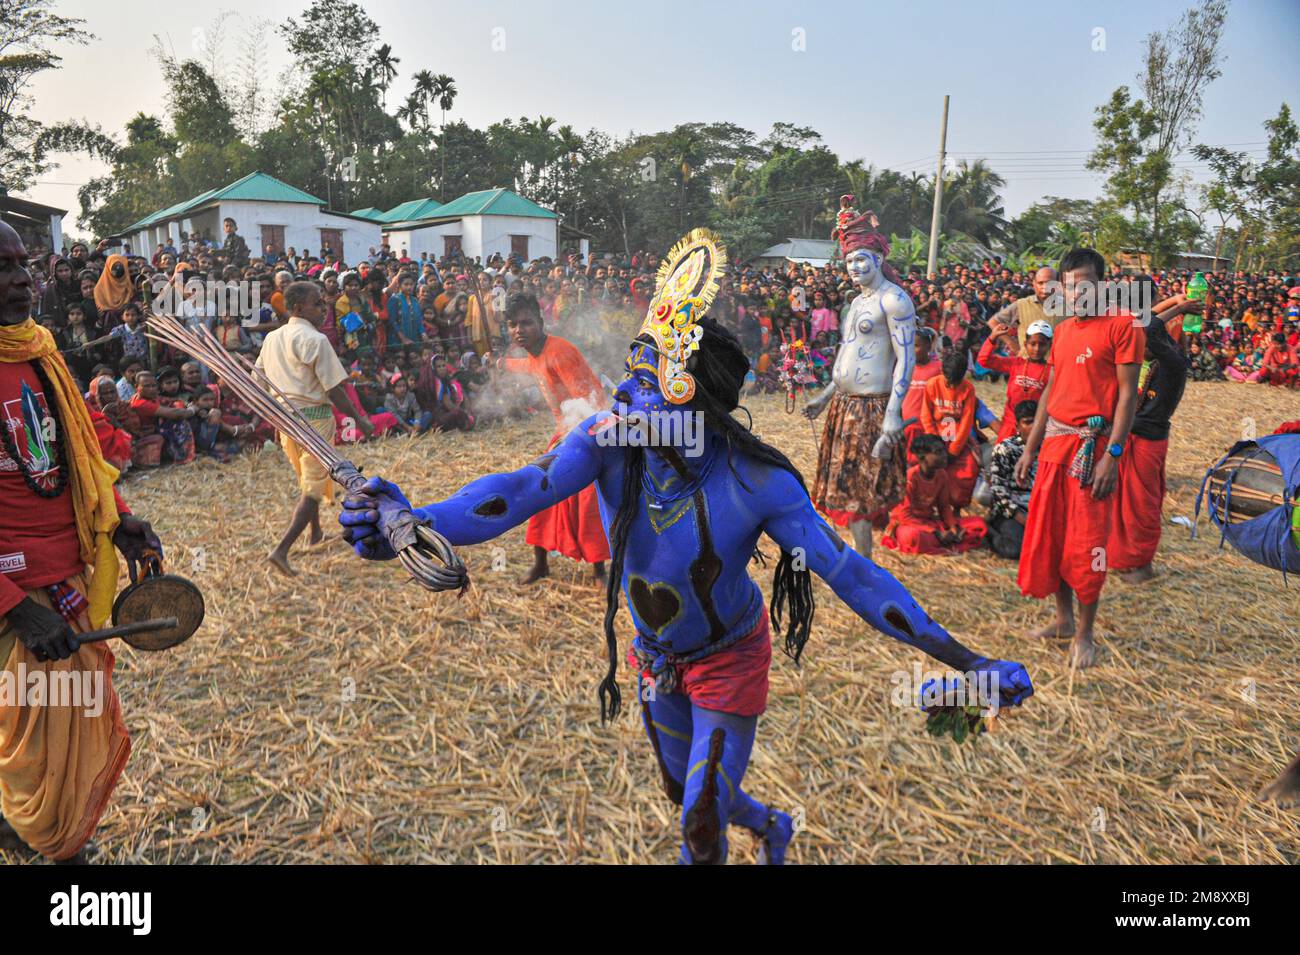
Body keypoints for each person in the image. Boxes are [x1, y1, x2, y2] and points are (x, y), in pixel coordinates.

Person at [339, 229, 1032, 864]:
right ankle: (767, 823)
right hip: (655, 659)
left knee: (698, 821)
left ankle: (736, 830)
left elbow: (851, 575)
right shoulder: (609, 443)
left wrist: (965, 661)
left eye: (652, 384)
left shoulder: (758, 482)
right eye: (633, 375)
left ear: (696, 404)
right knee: (689, 796)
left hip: (728, 657)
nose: (628, 396)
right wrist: (412, 518)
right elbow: (519, 490)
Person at [0, 219, 162, 863]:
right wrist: (15, 606)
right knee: (28, 741)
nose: (18, 281)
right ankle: (53, 847)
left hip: (66, 579)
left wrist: (118, 518)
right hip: (18, 600)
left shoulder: (38, 349)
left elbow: (80, 456)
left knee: (64, 721)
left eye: (20, 265)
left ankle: (43, 835)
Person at [1016, 248, 1144, 668]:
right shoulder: (1064, 330)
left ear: (1102, 283)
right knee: (1053, 538)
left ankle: (1086, 635)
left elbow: (1128, 396)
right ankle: (1063, 620)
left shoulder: (1124, 326)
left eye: (1084, 284)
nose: (1076, 292)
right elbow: (1050, 391)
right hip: (1055, 447)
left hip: (1095, 448)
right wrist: (1031, 447)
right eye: (1069, 286)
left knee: (1088, 544)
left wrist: (1114, 453)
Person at [804, 210, 915, 557]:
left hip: (871, 408)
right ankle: (854, 559)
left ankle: (864, 568)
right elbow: (847, 355)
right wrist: (824, 398)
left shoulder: (894, 300)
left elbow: (905, 359)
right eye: (849, 260)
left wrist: (893, 414)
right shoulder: (856, 302)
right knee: (845, 489)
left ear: (878, 258)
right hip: (843, 406)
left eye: (861, 259)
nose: (853, 266)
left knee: (861, 494)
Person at [257, 281, 374, 576]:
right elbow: (334, 390)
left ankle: (316, 534)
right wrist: (360, 420)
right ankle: (281, 550)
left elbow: (257, 379)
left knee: (307, 480)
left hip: (285, 421)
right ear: (297, 308)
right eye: (317, 303)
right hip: (314, 419)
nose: (324, 308)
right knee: (313, 487)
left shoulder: (272, 338)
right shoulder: (316, 339)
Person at [497, 289, 610, 584]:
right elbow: (528, 366)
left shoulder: (560, 350)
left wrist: (579, 441)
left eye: (526, 323)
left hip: (588, 433)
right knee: (541, 493)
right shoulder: (534, 353)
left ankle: (599, 571)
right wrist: (501, 364)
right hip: (562, 435)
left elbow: (591, 398)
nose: (519, 330)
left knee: (587, 501)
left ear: (540, 322)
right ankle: (541, 565)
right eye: (513, 325)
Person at [1107, 293, 1188, 583]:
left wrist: (1179, 306)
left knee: (1141, 506)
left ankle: (1141, 566)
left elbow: (1149, 326)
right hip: (1134, 436)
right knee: (1121, 504)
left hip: (1148, 441)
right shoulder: (1160, 362)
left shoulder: (1173, 363)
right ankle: (1122, 559)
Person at [882, 433, 987, 554]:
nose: (944, 456)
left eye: (943, 451)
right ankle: (943, 542)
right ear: (922, 458)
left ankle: (945, 540)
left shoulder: (941, 475)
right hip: (909, 524)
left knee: (979, 524)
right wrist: (936, 533)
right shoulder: (910, 478)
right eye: (938, 452)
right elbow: (904, 516)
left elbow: (944, 508)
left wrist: (953, 528)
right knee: (912, 536)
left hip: (929, 522)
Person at [919, 344, 980, 511]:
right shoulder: (932, 385)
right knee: (928, 469)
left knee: (967, 471)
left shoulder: (968, 389)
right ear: (942, 373)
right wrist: (934, 443)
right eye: (948, 383)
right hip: (935, 438)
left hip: (958, 441)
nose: (952, 387)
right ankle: (929, 507)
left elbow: (967, 422)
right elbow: (926, 415)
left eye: (956, 383)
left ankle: (956, 508)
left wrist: (953, 451)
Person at [977, 318, 1052, 440]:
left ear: (1050, 345)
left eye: (1042, 344)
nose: (1037, 349)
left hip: (1035, 428)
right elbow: (984, 360)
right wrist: (993, 337)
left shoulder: (1052, 371)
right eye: (1033, 344)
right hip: (1010, 425)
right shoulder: (1016, 363)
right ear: (1025, 344)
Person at [986, 400, 1039, 560]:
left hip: (1039, 513)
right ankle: (989, 532)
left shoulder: (1049, 449)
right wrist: (1022, 518)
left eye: (1037, 421)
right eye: (1028, 422)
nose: (1033, 427)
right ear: (1017, 427)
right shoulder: (1006, 449)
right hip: (1012, 513)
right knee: (1015, 550)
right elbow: (998, 491)